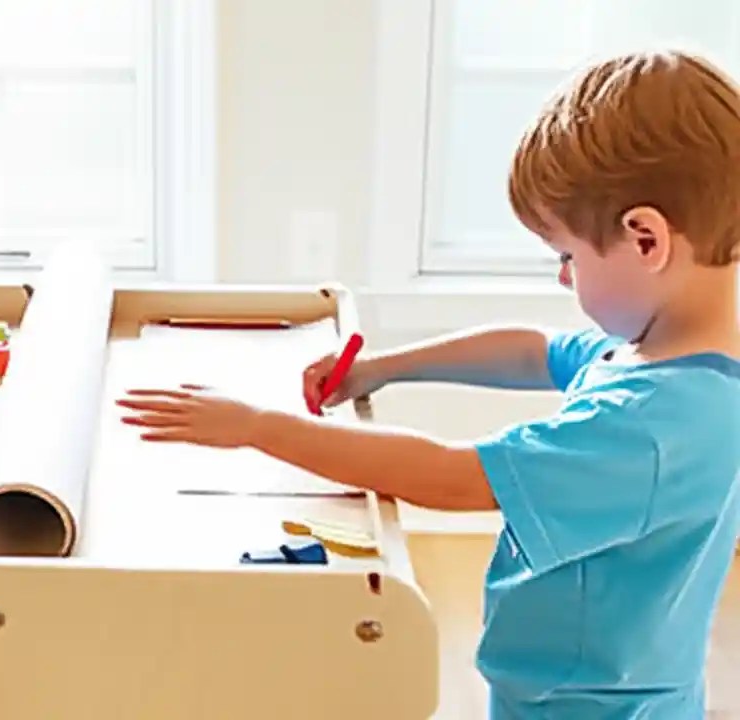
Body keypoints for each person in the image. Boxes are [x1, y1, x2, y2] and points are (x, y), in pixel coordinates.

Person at [119, 48, 740, 718]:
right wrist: (383, 367)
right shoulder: (661, 355)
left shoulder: (652, 425)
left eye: (567, 256)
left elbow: (450, 477)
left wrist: (256, 428)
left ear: (646, 240)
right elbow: (536, 352)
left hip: (587, 706)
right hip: (591, 685)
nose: (562, 278)